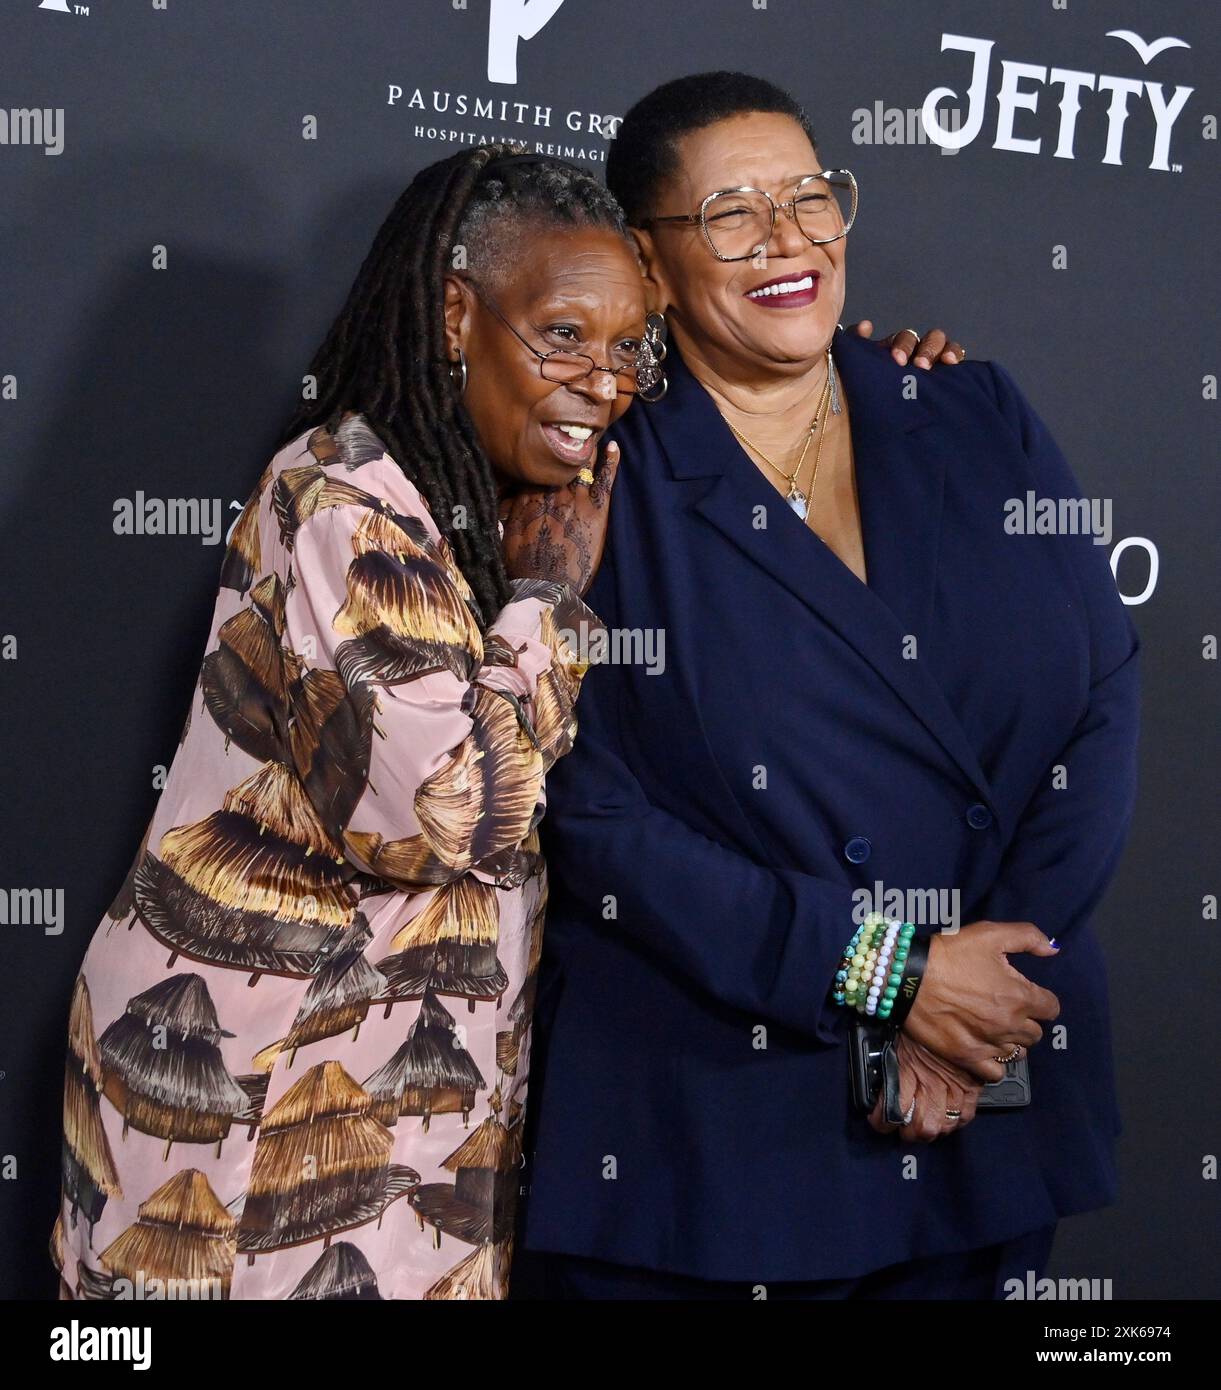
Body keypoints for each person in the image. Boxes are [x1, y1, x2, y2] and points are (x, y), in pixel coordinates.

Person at [514, 73, 1141, 1300]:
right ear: (647, 260)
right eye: (733, 213)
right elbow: (593, 819)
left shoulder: (970, 408)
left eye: (810, 196)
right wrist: (890, 977)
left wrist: (991, 994)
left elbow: (1102, 687)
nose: (788, 238)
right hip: (724, 1141)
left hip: (988, 1100)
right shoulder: (591, 480)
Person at [48, 145, 644, 1301]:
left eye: (629, 349)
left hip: (390, 1116)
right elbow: (441, 814)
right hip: (246, 1104)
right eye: (564, 335)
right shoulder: (345, 502)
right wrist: (551, 608)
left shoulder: (464, 507)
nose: (603, 382)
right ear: (456, 315)